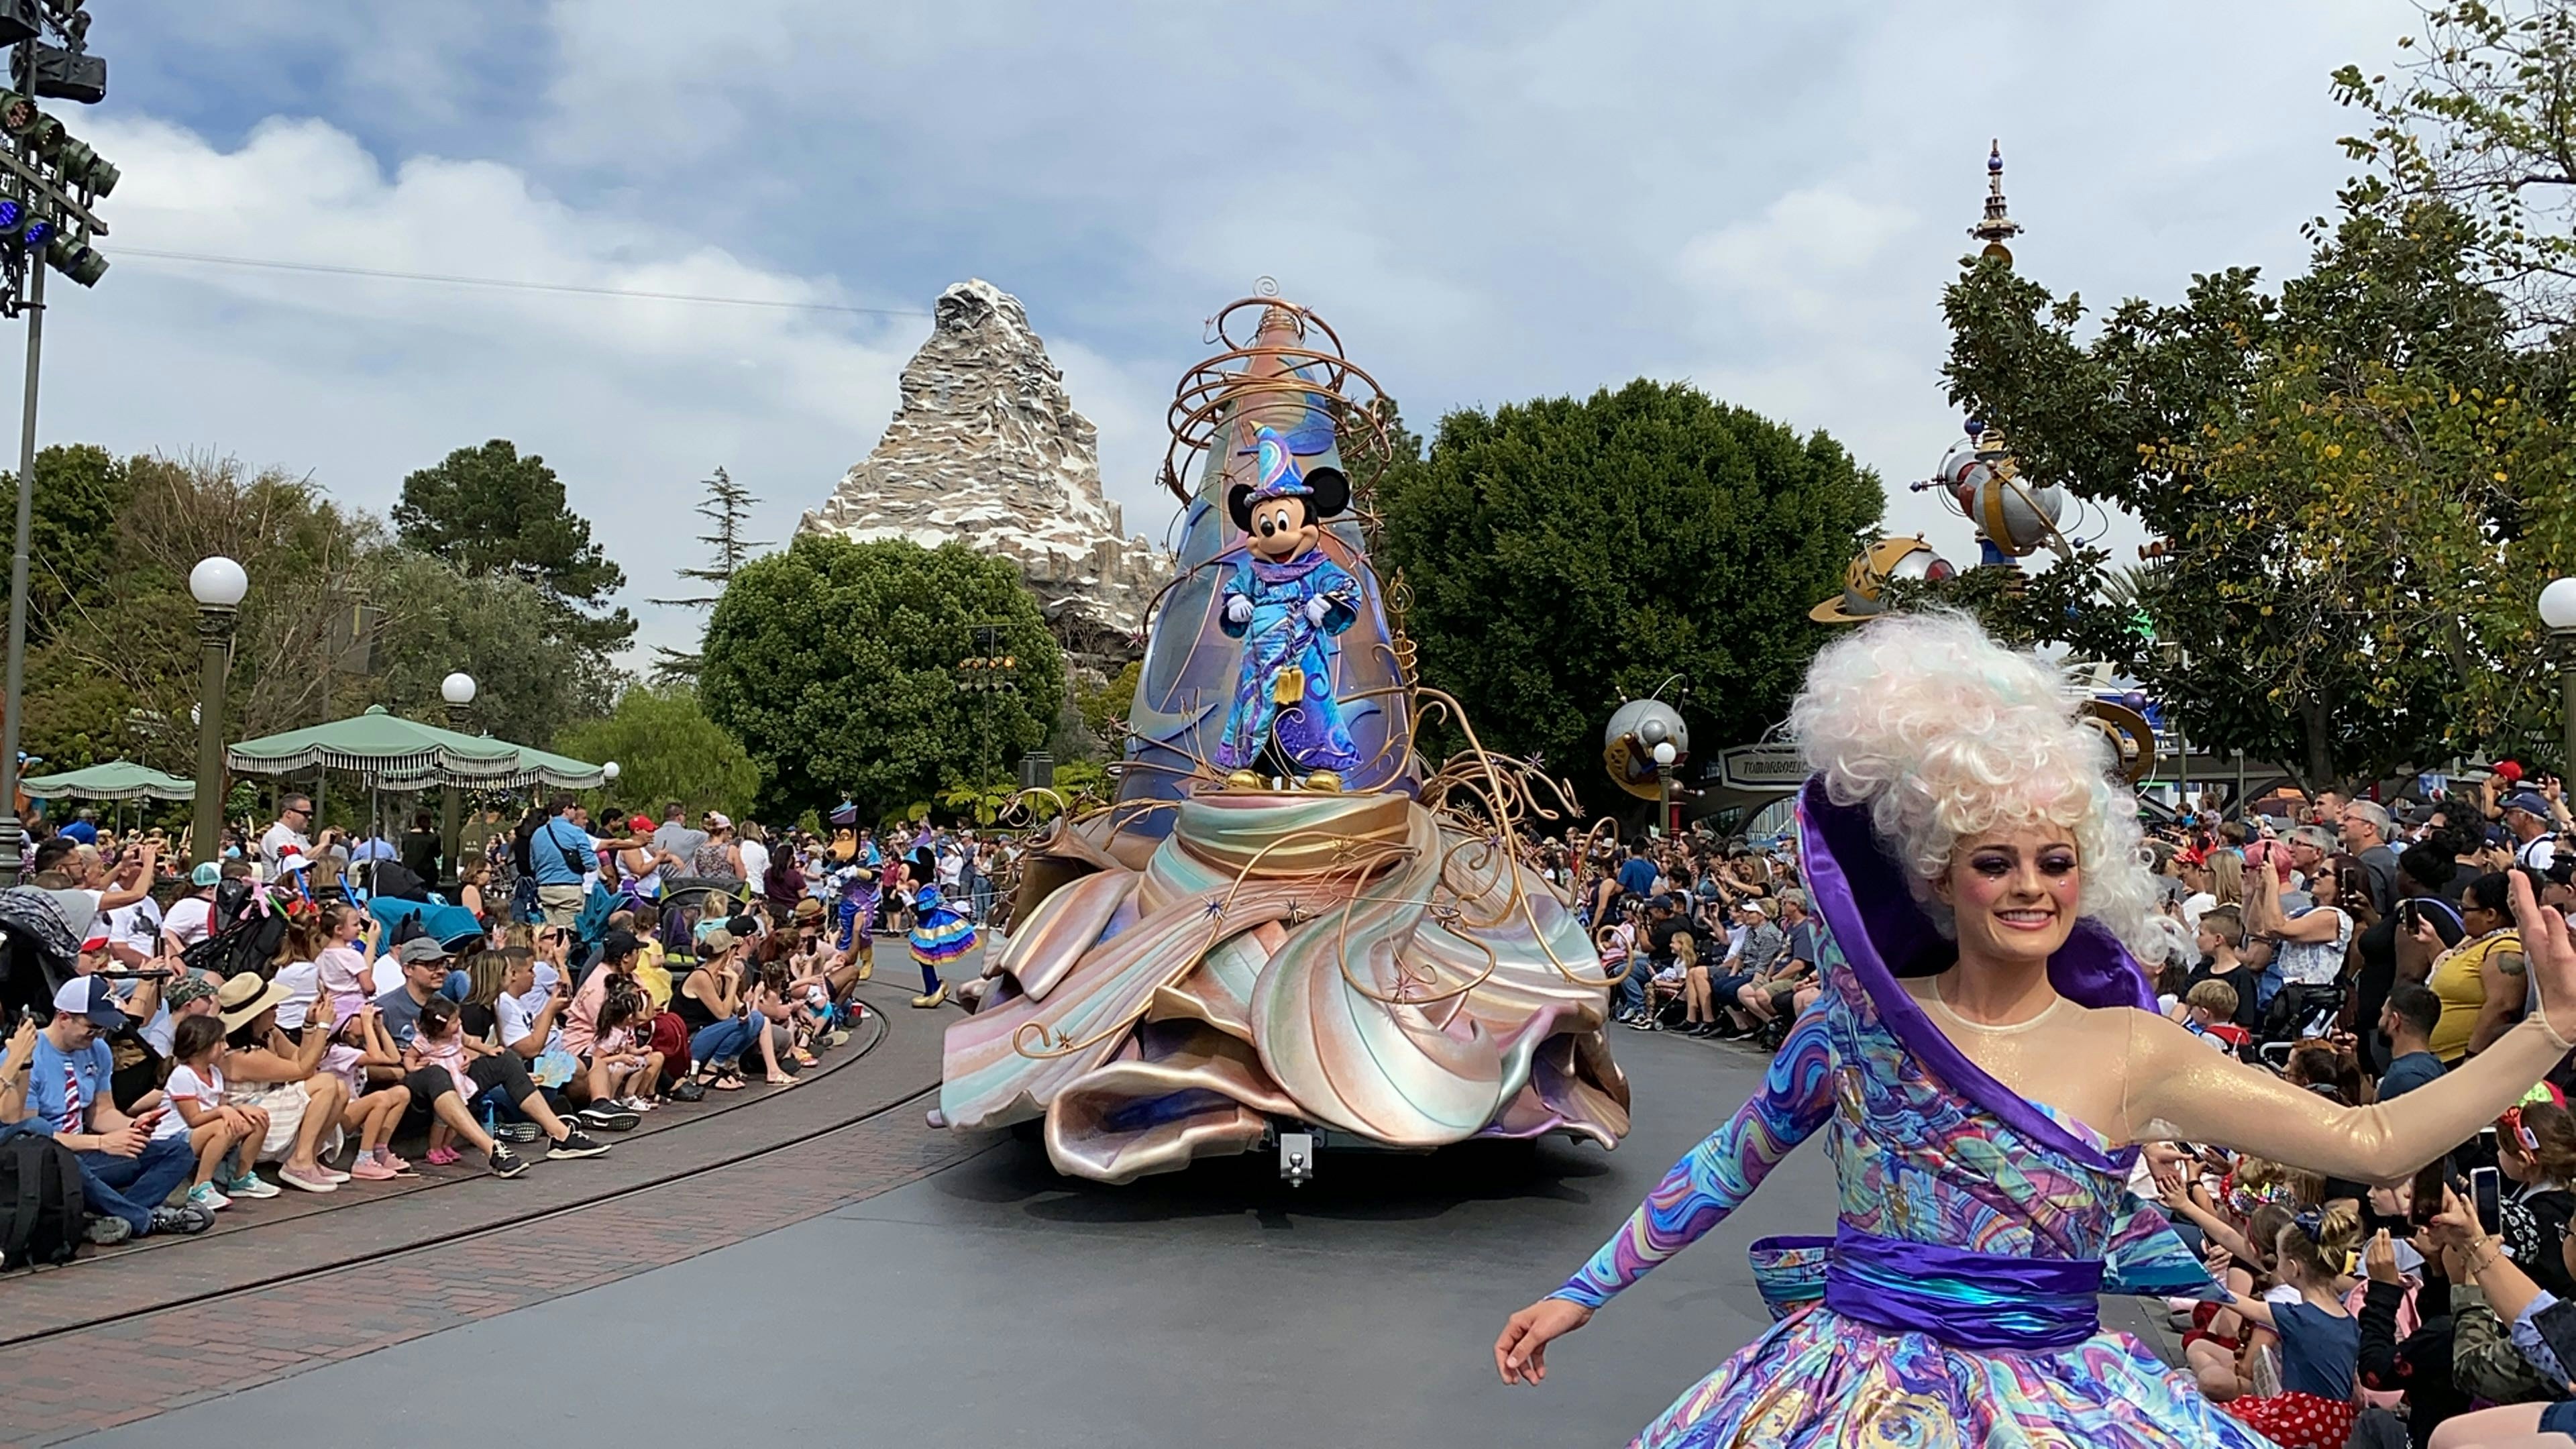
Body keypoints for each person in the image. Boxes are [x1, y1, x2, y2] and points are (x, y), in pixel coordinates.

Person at [1491, 611, 2576, 1448]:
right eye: (1994, 861)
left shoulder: (2136, 1052)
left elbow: (2372, 1146)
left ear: (2086, 871)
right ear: (1939, 875)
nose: (2027, 887)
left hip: (2053, 1402)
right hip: (1852, 1396)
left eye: (2054, 861)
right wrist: (1580, 1293)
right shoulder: (1862, 1032)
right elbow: (1728, 1161)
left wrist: (2546, 1036)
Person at [374, 937, 610, 1175]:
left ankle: (560, 1135)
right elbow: (368, 1067)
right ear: (408, 969)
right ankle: (493, 1151)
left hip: (455, 1082)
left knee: (505, 1059)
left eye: (443, 964)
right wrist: (406, 1068)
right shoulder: (386, 1008)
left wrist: (466, 1058)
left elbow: (465, 1043)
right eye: (431, 965)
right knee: (436, 1073)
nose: (441, 971)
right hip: (414, 1089)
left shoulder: (445, 1004)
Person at [17, 977, 211, 1242]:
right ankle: (142, 1219)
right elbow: (31, 1137)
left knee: (177, 1151)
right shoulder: (28, 1055)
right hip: (48, 1161)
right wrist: (101, 1143)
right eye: (92, 1026)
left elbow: (101, 1111)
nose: (98, 1034)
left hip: (87, 1150)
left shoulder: (98, 1050)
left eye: (103, 1028)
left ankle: (111, 1215)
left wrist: (132, 1127)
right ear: (64, 1018)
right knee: (68, 1163)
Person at [156, 1013, 255, 1213]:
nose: (226, 1047)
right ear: (202, 1045)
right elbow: (194, 1119)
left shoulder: (215, 1073)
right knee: (222, 1128)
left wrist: (238, 1110)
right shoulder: (183, 1075)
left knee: (254, 1120)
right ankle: (201, 1185)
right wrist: (223, 1111)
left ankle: (241, 1177)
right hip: (174, 1138)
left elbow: (221, 1105)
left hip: (202, 1131)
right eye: (220, 1041)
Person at [2425, 871, 2526, 1064]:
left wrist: (2473, 1055)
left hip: (2461, 1059)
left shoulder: (2506, 947)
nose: (2462, 916)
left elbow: (2503, 1006)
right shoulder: (2475, 939)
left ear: (2490, 914)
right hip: (2439, 1057)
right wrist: (2432, 943)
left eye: (2465, 909)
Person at [526, 794, 597, 928]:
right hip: (569, 889)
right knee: (567, 934)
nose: (575, 812)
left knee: (547, 934)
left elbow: (533, 865)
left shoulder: (537, 834)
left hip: (544, 889)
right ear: (566, 809)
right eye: (574, 808)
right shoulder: (576, 832)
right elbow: (591, 864)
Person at [2375, 981, 2447, 1101]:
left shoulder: (2405, 1078)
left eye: (2383, 1014)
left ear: (2394, 1021)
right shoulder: (2434, 1065)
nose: (2380, 1021)